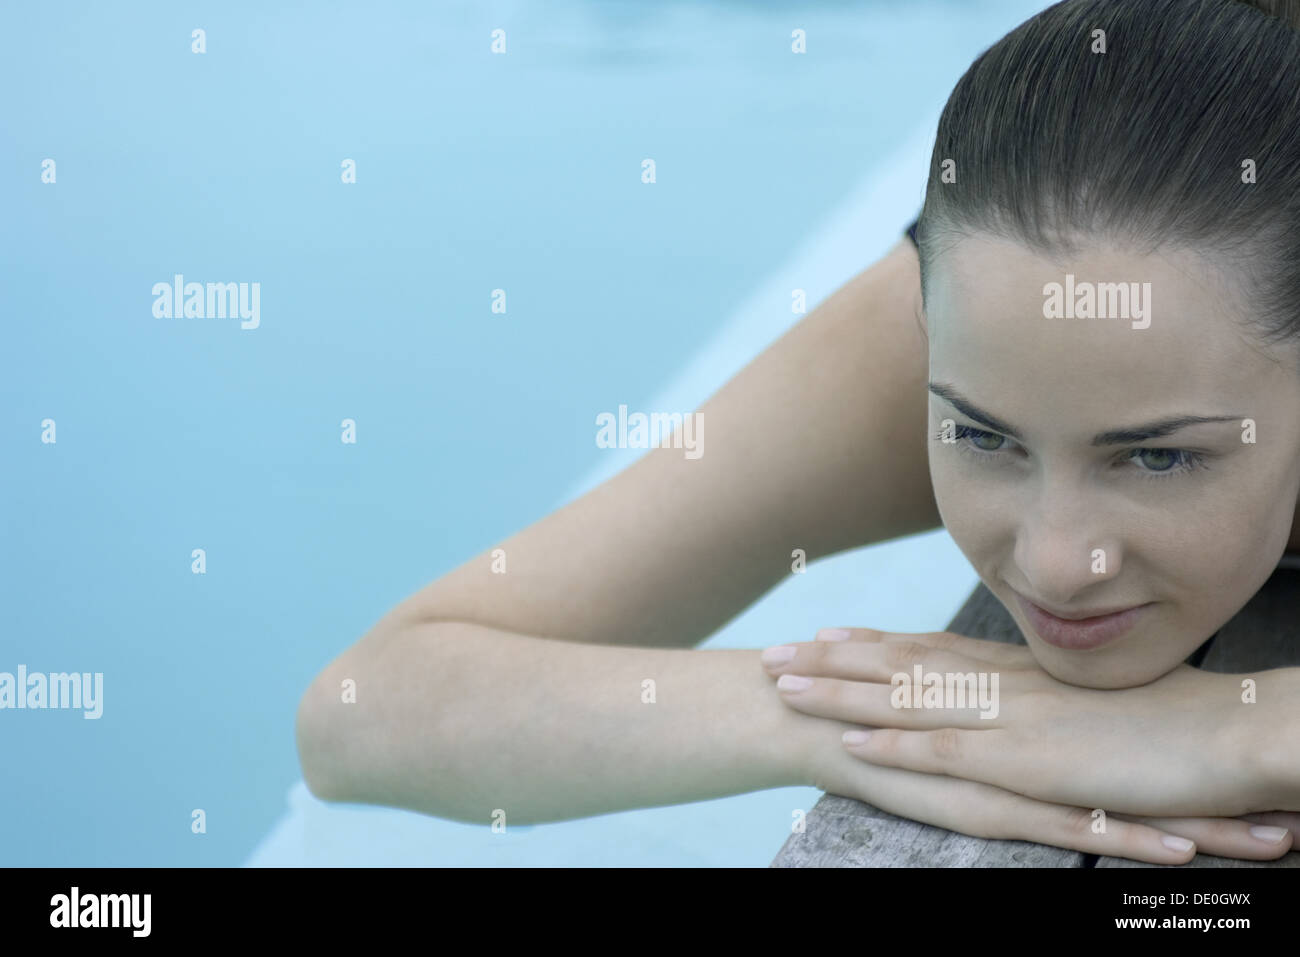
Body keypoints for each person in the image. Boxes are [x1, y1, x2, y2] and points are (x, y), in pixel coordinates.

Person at [295, 0, 1300, 865]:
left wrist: (1235, 730)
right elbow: (363, 713)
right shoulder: (975, 317)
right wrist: (849, 712)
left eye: (1158, 455)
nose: (1053, 561)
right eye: (985, 440)